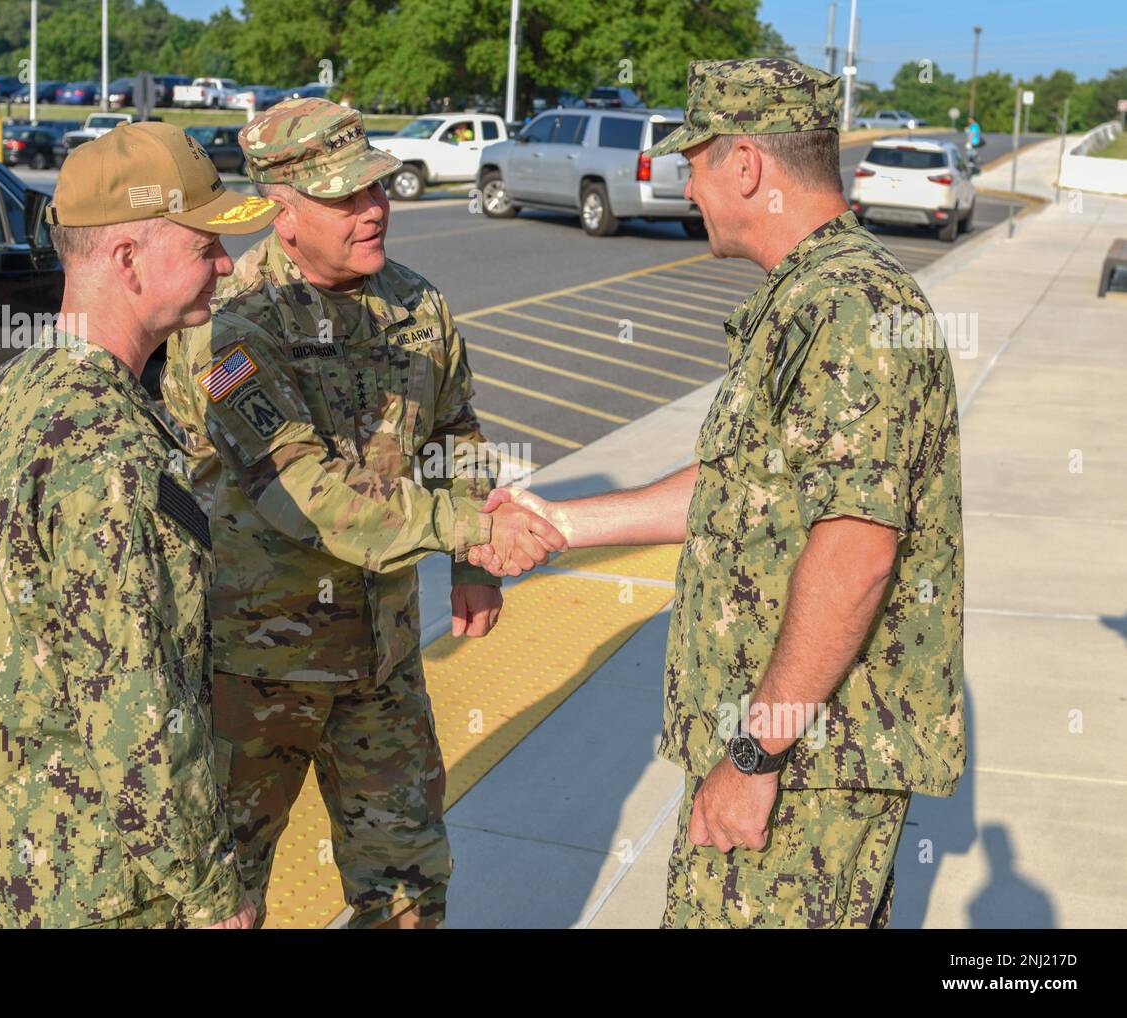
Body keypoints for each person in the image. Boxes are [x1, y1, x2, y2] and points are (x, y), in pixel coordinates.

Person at [471, 58, 966, 929]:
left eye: (694, 161)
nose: (683, 181)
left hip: (805, 769)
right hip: (792, 759)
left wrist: (753, 755)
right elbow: (746, 493)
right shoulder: (808, 296)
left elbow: (856, 553)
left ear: (745, 165)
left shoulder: (848, 307)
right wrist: (561, 522)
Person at [161, 97, 564, 929]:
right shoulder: (229, 328)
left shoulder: (418, 305)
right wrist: (474, 529)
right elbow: (307, 496)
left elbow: (455, 430)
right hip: (253, 671)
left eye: (375, 186)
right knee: (217, 902)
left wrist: (471, 565)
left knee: (410, 886)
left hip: (378, 662)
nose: (374, 208)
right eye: (345, 197)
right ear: (282, 210)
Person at [0, 121, 280, 928]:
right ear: (127, 260)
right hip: (100, 885)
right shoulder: (111, 451)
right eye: (203, 248)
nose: (225, 266)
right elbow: (136, 707)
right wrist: (210, 892)